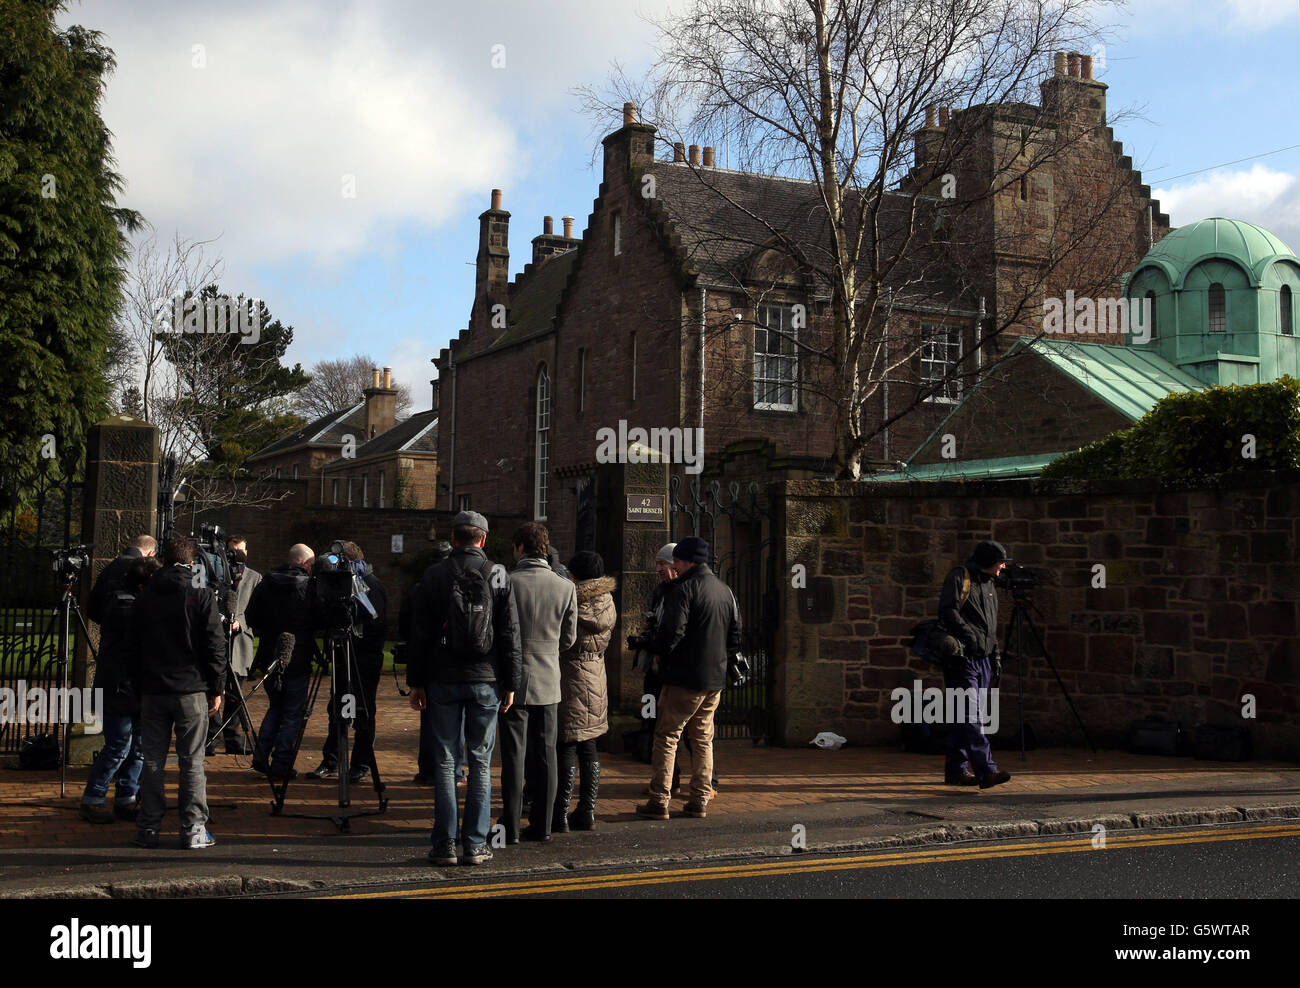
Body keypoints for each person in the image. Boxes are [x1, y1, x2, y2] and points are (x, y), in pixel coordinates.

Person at [408, 511, 521, 866]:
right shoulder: (499, 574)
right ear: (483, 540)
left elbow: (420, 634)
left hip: (442, 678)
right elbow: (509, 633)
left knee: (444, 763)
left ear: (453, 538)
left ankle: (444, 845)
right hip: (486, 679)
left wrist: (417, 681)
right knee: (481, 762)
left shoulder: (435, 574)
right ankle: (474, 844)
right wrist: (512, 683)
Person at [127, 537, 225, 849]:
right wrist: (218, 686)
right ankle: (194, 828)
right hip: (190, 688)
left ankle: (148, 828)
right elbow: (214, 643)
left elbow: (134, 644)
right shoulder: (200, 591)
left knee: (152, 759)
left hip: (154, 688)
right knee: (191, 761)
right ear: (192, 561)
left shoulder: (146, 594)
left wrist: (137, 684)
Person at [636, 536, 739, 821]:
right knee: (703, 738)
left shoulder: (683, 590)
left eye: (677, 561)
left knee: (667, 736)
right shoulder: (724, 590)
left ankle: (659, 799)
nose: (675, 567)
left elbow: (671, 636)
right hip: (714, 680)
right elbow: (735, 637)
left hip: (684, 678)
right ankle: (699, 799)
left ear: (689, 561)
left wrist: (654, 647)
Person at [497, 522, 576, 843]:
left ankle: (511, 828)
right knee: (547, 756)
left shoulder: (507, 583)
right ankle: (543, 825)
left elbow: (497, 636)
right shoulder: (565, 587)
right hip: (549, 681)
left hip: (511, 683)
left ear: (519, 548)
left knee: (514, 757)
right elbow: (568, 640)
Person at [79, 556, 160, 824]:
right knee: (118, 746)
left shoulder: (128, 602)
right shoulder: (127, 607)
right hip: (119, 688)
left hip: (130, 687)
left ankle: (126, 797)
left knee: (136, 746)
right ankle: (94, 798)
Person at [307, 541, 388, 784]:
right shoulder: (335, 587)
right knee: (338, 710)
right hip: (342, 656)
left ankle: (361, 764)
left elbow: (377, 624)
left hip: (364, 660)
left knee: (363, 711)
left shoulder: (372, 585)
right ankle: (332, 761)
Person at [938, 539, 1011, 789]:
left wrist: (996, 655)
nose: (1003, 566)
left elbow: (991, 626)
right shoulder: (960, 577)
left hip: (984, 659)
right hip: (963, 658)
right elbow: (947, 610)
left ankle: (956, 771)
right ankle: (986, 770)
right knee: (971, 715)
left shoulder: (991, 585)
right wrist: (968, 634)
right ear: (989, 561)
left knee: (965, 716)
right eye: (1000, 561)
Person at [552, 550, 615, 833]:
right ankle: (587, 810)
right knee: (589, 746)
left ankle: (559, 813)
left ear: (574, 574)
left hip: (570, 675)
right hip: (597, 675)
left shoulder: (571, 601)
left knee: (566, 743)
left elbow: (562, 640)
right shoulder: (608, 601)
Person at [245, 544, 317, 782]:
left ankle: (262, 754)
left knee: (276, 707)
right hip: (298, 655)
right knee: (293, 713)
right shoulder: (309, 586)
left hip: (269, 654)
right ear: (304, 564)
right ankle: (281, 763)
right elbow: (320, 620)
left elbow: (251, 616)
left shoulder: (266, 584)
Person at [409, 541, 465, 786]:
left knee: (429, 719)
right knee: (455, 723)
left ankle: (428, 770)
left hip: (430, 662)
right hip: (456, 662)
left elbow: (409, 629)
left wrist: (415, 679)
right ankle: (453, 772)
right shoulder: (461, 586)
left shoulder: (419, 588)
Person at [207, 536, 260, 756]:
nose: (236, 555)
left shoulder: (255, 578)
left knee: (235, 693)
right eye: (232, 551)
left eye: (240, 550)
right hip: (217, 640)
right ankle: (211, 737)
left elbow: (258, 612)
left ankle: (233, 738)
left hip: (240, 642)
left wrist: (241, 623)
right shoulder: (215, 575)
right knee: (213, 690)